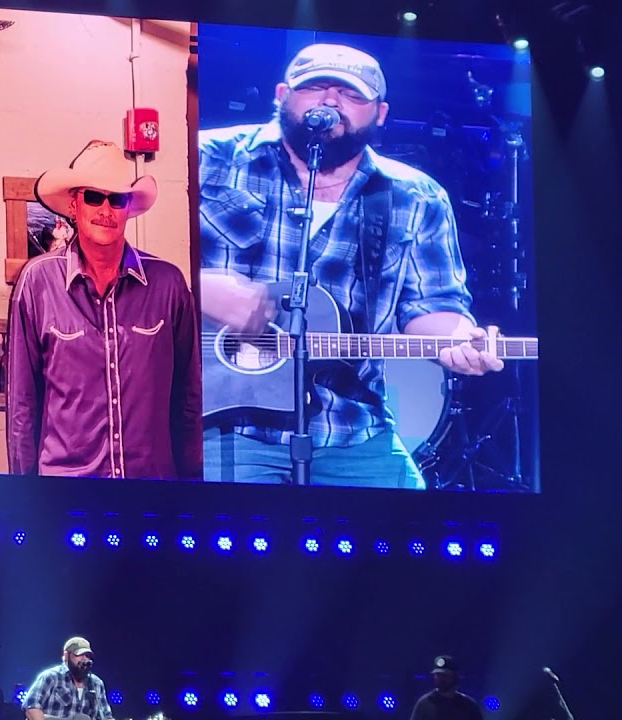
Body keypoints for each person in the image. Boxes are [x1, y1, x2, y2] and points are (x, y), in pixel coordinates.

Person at [196, 43, 505, 488]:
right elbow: (104, 249)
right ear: (282, 94)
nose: (330, 102)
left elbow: (432, 305)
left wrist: (459, 340)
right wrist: (197, 286)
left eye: (351, 94)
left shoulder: (415, 196)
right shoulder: (208, 158)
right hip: (222, 423)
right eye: (314, 88)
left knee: (412, 542)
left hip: (351, 424)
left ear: (380, 113)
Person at [6, 139, 202, 480]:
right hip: (67, 494)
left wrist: (191, 490)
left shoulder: (168, 284)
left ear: (128, 207)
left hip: (151, 491)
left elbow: (189, 399)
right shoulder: (38, 283)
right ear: (73, 203)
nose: (106, 210)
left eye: (118, 199)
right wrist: (25, 499)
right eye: (94, 196)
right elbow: (23, 404)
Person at [23, 637, 114, 720]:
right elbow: (32, 706)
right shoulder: (51, 677)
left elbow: (106, 716)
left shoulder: (96, 684)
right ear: (66, 655)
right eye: (79, 655)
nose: (84, 659)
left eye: (87, 656)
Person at [409, 655, 484, 720]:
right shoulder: (424, 704)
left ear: (454, 676)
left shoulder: (468, 705)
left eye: (445, 675)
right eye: (438, 675)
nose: (441, 679)